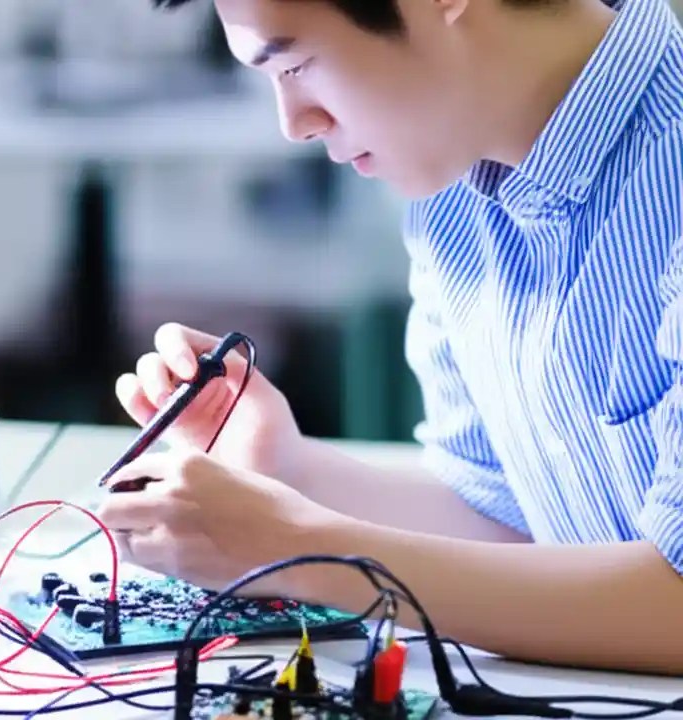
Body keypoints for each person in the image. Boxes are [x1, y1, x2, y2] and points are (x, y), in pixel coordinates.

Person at [98, 0, 683, 675]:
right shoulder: (454, 181)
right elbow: (511, 518)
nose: (293, 124)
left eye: (297, 62)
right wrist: (287, 468)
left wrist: (300, 551)